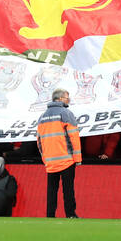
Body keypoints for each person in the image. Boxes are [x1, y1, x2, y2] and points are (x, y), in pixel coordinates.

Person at [37, 88, 81, 218]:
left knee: (52, 190)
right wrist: (77, 158)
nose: (69, 99)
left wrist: (45, 159)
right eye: (67, 97)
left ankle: (50, 215)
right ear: (60, 99)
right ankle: (70, 214)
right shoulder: (66, 113)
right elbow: (74, 136)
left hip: (50, 161)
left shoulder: (42, 117)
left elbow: (39, 141)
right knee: (68, 189)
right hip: (66, 159)